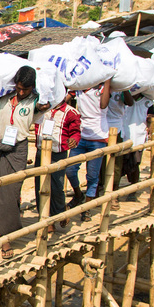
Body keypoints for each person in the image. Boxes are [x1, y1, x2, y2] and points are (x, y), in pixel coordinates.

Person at [0, 66, 40, 256]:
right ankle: (4, 226)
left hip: (18, 148)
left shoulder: (36, 101)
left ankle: (6, 238)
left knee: (10, 191)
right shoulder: (4, 98)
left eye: (26, 89)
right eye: (20, 88)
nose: (22, 93)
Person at [33, 88, 82, 231]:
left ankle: (59, 212)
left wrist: (73, 139)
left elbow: (76, 132)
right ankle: (45, 218)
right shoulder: (41, 109)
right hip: (41, 151)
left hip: (58, 153)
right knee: (39, 185)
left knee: (57, 186)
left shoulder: (71, 112)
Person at [67, 80, 112, 218]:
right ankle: (78, 194)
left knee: (92, 175)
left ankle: (86, 207)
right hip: (80, 135)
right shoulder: (79, 88)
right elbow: (64, 101)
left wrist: (108, 81)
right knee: (70, 169)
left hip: (98, 136)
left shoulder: (102, 88)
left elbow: (103, 105)